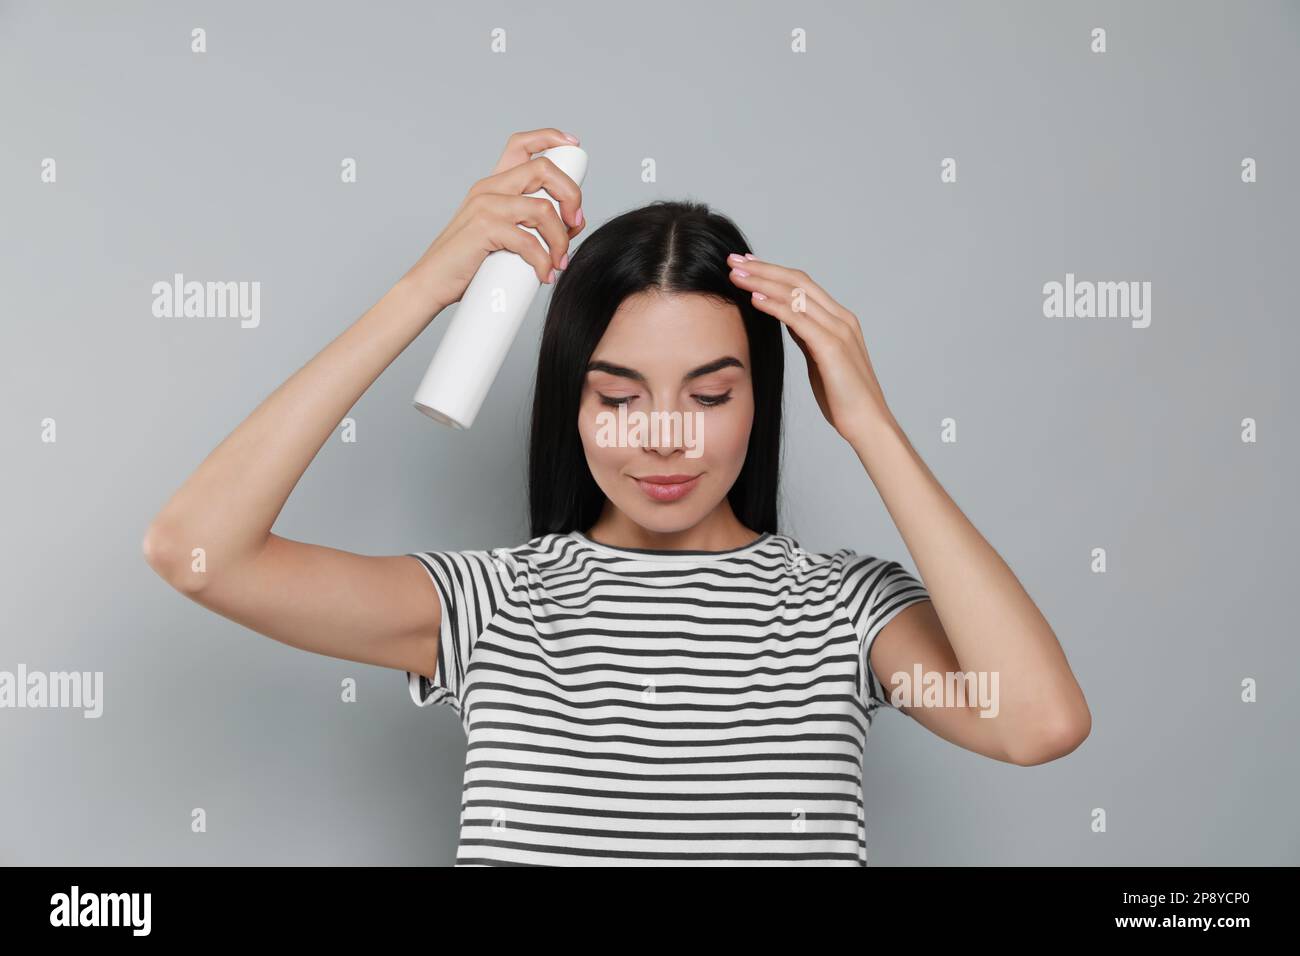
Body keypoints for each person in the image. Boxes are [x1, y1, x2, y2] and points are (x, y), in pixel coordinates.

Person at [143, 126, 1091, 866]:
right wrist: (426, 289)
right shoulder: (492, 607)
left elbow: (1037, 722)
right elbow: (197, 551)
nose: (666, 435)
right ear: (572, 399)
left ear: (761, 397)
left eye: (711, 395)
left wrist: (873, 426)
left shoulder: (844, 610)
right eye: (619, 396)